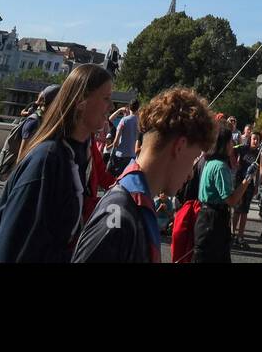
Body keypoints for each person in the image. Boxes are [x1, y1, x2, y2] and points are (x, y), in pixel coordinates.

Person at [0, 64, 114, 262]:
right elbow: (12, 247)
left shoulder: (77, 152)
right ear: (81, 101)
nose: (111, 107)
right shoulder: (48, 160)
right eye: (106, 98)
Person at [73, 87, 217, 263]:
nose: (190, 174)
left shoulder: (135, 203)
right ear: (179, 147)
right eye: (194, 159)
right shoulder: (121, 212)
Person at [193, 124, 255, 262]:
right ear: (224, 143)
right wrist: (247, 179)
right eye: (230, 141)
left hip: (205, 217)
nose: (233, 144)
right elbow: (231, 200)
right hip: (214, 220)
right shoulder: (220, 166)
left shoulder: (209, 161)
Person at [105, 103, 139, 175]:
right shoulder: (140, 122)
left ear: (129, 108)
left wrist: (110, 151)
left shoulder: (124, 120)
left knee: (117, 177)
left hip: (121, 155)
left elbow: (116, 142)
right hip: (133, 156)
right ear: (137, 108)